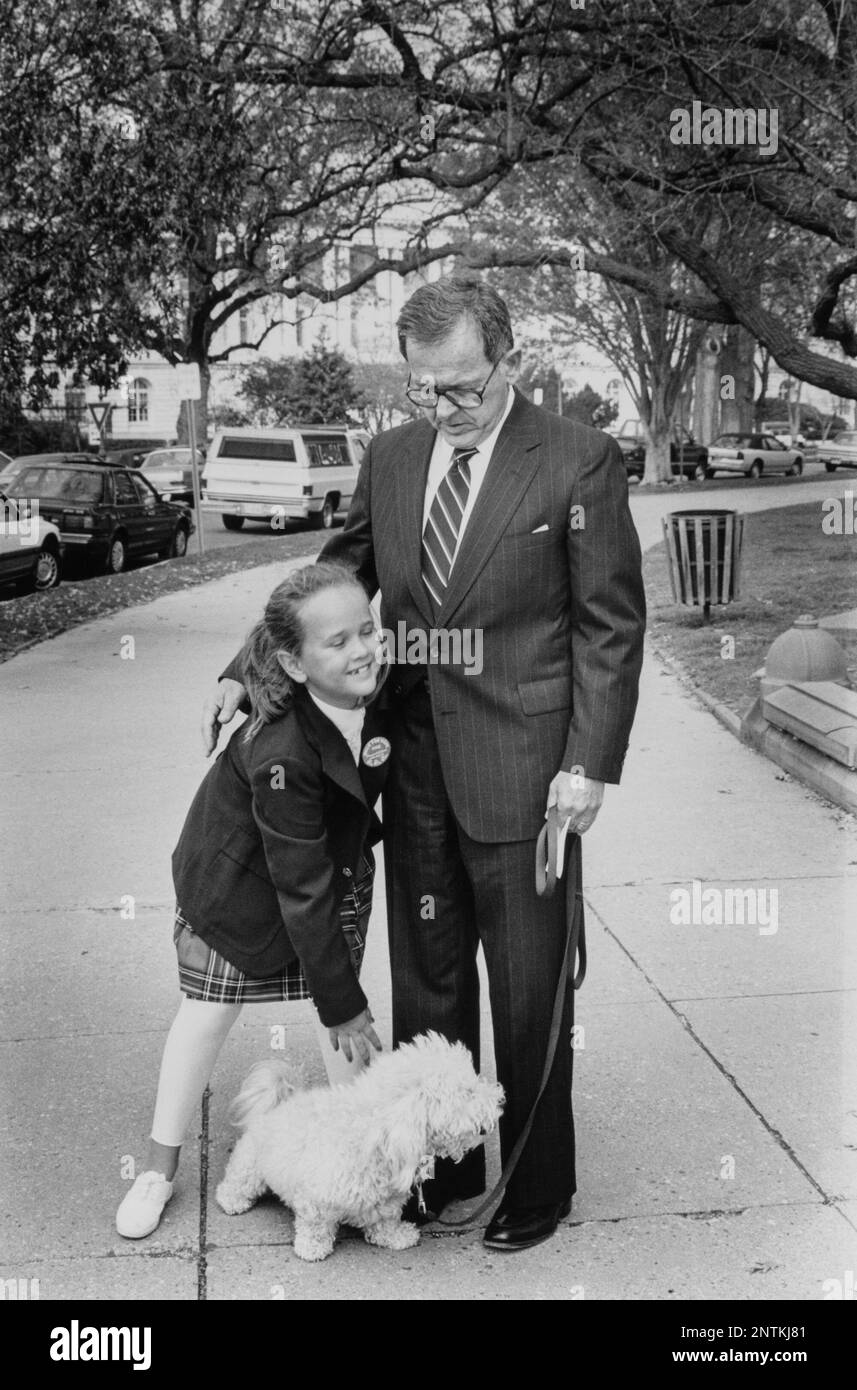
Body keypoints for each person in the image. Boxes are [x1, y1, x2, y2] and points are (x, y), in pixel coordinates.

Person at [204, 276, 646, 1252]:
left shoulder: (576, 462)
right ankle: (449, 1168)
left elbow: (608, 628)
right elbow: (339, 572)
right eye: (427, 390)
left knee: (529, 992)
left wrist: (588, 764)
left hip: (527, 776)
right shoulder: (396, 457)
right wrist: (250, 670)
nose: (444, 408)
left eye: (461, 388)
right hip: (411, 771)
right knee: (430, 983)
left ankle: (538, 1184)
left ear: (508, 360)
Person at [117, 561, 388, 1240]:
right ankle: (155, 1168)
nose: (362, 650)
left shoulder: (373, 687)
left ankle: (363, 1161)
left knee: (343, 1024)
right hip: (239, 890)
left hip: (326, 875)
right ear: (294, 666)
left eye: (368, 631)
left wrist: (339, 1003)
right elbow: (299, 883)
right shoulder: (282, 749)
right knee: (210, 1014)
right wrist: (341, 1001)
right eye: (338, 643)